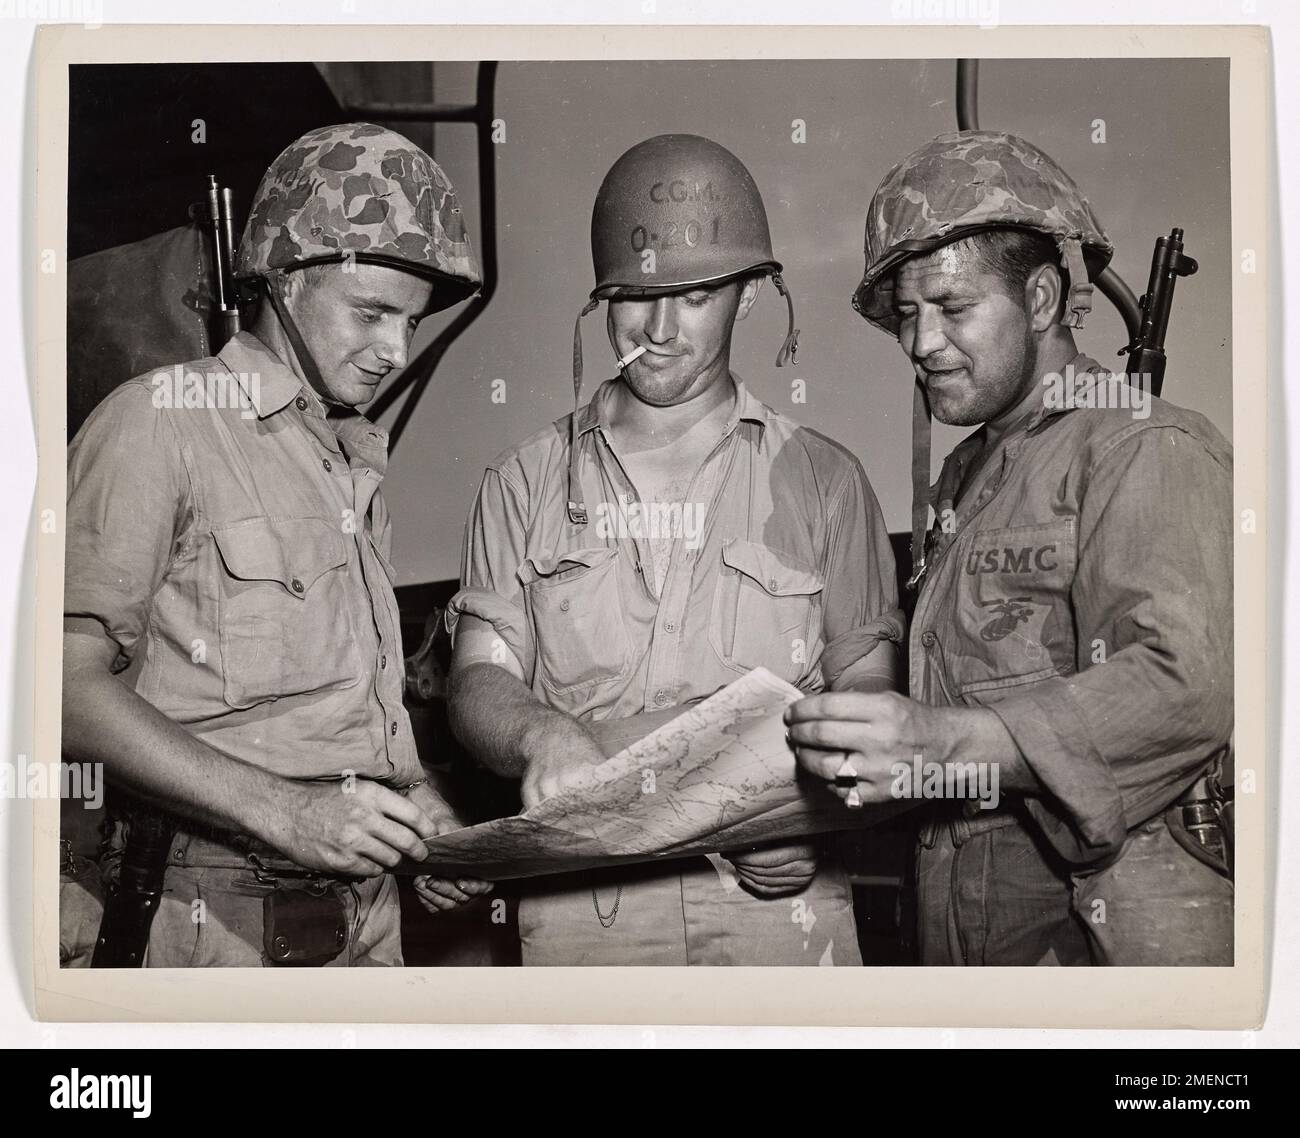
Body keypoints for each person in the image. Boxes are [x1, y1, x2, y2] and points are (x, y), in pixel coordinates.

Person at [445, 134, 903, 966]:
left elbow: (868, 688)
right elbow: (479, 678)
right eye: (632, 296)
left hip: (782, 906)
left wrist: (812, 812)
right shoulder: (524, 480)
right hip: (587, 907)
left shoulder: (827, 481)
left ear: (750, 298)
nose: (656, 330)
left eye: (693, 297)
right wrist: (541, 737)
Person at [787, 130, 1233, 966]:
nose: (921, 345)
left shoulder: (1145, 446)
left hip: (1106, 936)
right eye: (908, 316)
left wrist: (938, 745)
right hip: (968, 927)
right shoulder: (970, 476)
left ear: (1038, 300)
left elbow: (1182, 681)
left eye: (952, 309)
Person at [62, 123, 492, 967]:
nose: (394, 352)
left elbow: (342, 708)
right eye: (370, 314)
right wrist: (285, 811)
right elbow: (57, 691)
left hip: (367, 916)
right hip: (208, 917)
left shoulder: (348, 456)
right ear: (285, 279)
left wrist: (418, 804)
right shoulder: (158, 424)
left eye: (409, 322)